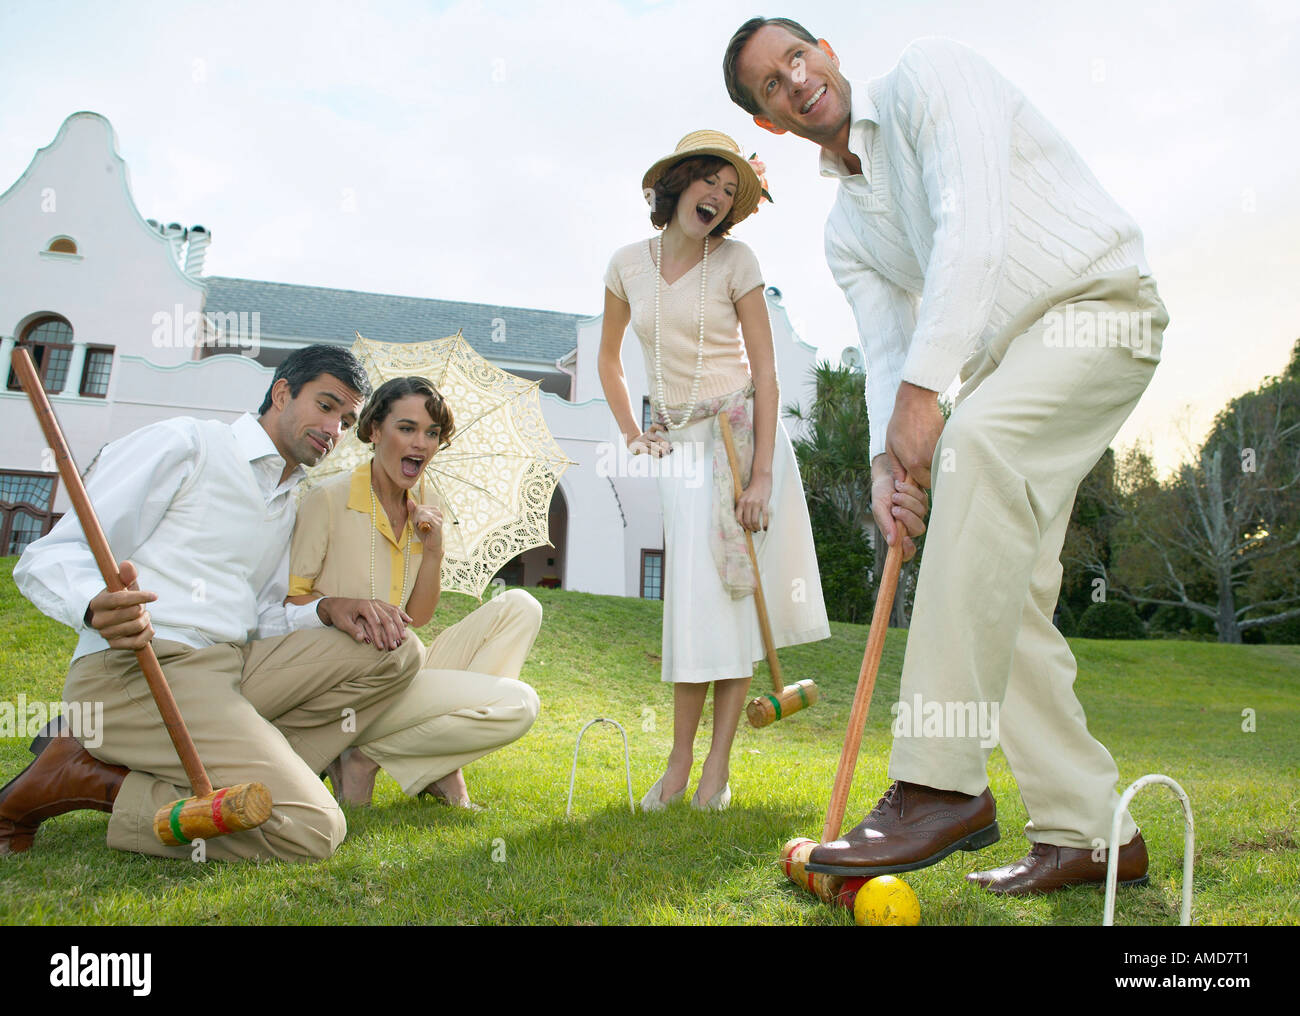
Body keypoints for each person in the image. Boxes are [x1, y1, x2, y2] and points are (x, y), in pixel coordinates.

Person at [724, 18, 1169, 893]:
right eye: (771, 86)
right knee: (1006, 594)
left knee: (973, 446)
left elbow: (975, 231)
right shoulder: (847, 233)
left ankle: (938, 783)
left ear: (830, 53)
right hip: (1013, 360)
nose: (796, 81)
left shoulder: (932, 76)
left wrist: (929, 403)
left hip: (1099, 307)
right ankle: (1090, 832)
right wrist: (893, 471)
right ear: (769, 122)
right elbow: (889, 355)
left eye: (797, 58)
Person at [3, 345, 424, 861]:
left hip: (227, 667)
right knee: (310, 829)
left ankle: (245, 768)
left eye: (347, 419)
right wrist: (94, 605)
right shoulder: (186, 444)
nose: (335, 429)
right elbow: (50, 556)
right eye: (327, 405)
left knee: (398, 651)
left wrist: (326, 607)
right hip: (140, 668)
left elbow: (262, 615)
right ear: (283, 392)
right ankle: (90, 782)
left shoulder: (289, 497)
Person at [599, 130, 830, 812]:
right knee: (692, 608)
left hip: (741, 440)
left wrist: (760, 479)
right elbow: (610, 360)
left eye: (731, 193)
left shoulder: (736, 261)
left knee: (730, 608)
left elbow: (767, 373)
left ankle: (714, 773)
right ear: (679, 185)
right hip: (681, 449)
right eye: (710, 183)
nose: (719, 199)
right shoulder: (625, 265)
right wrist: (634, 433)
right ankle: (677, 765)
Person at [286, 376, 542, 809]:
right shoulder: (327, 501)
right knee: (518, 704)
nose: (421, 443)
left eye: (432, 433)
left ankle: (366, 757)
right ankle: (398, 758)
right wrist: (345, 610)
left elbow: (418, 616)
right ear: (373, 430)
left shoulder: (427, 502)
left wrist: (435, 548)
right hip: (349, 688)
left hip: (402, 665)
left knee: (521, 606)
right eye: (406, 428)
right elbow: (290, 604)